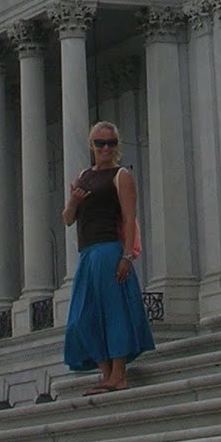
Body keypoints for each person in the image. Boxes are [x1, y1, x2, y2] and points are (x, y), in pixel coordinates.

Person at [62, 120, 155, 394]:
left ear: (117, 146)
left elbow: (129, 219)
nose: (105, 148)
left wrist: (127, 255)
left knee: (114, 312)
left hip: (109, 249)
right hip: (88, 253)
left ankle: (118, 374)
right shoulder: (83, 176)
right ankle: (105, 373)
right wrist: (74, 202)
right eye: (100, 143)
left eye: (110, 143)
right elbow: (68, 219)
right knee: (83, 316)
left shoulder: (121, 175)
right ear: (92, 145)